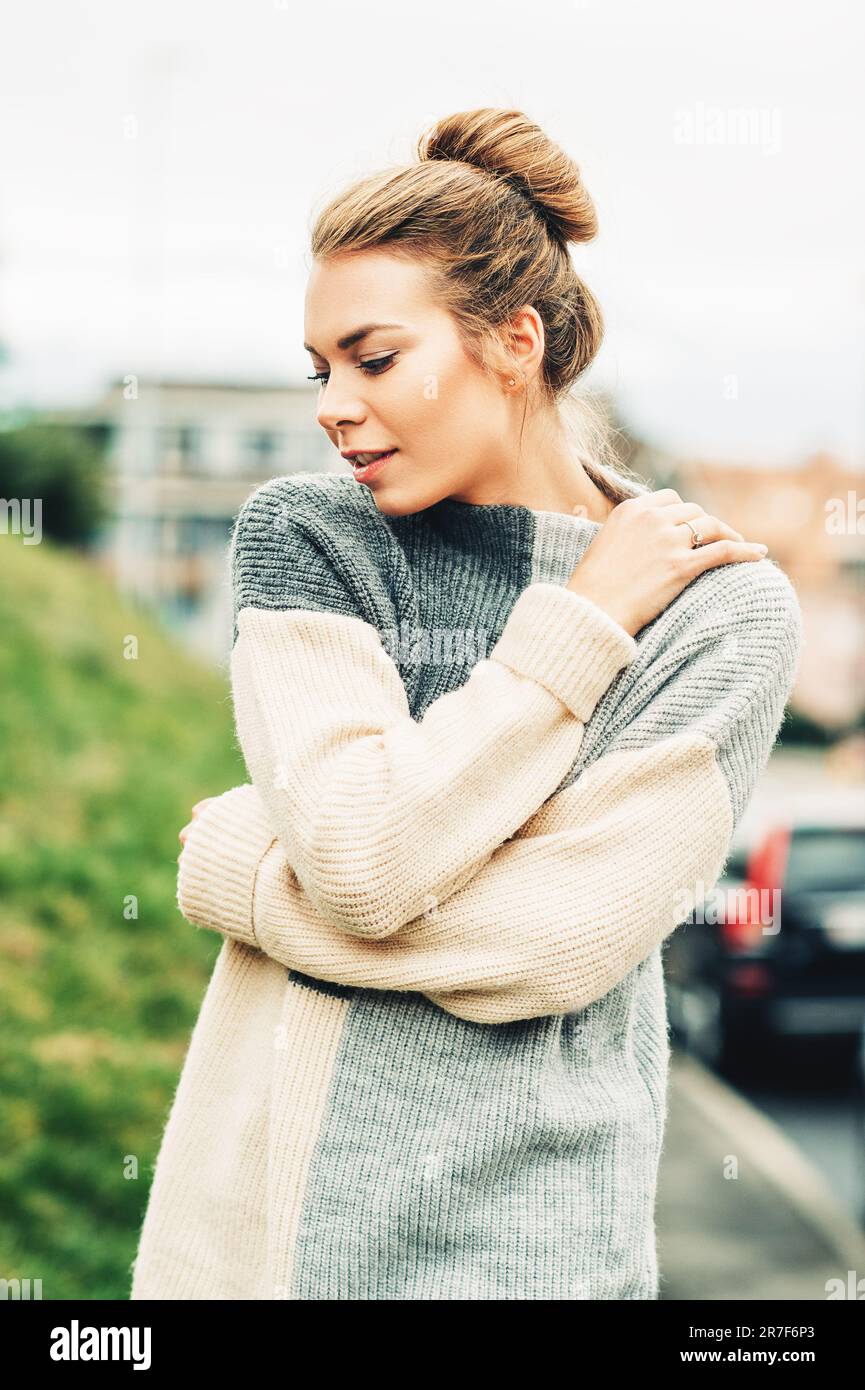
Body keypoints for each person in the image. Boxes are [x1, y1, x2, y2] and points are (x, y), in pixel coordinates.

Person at [130, 107, 802, 1301]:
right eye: (319, 369)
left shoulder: (720, 613)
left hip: (534, 1260)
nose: (334, 403)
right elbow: (360, 854)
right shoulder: (310, 535)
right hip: (258, 1247)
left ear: (515, 341)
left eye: (373, 358)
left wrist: (246, 876)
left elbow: (552, 945)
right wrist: (578, 626)